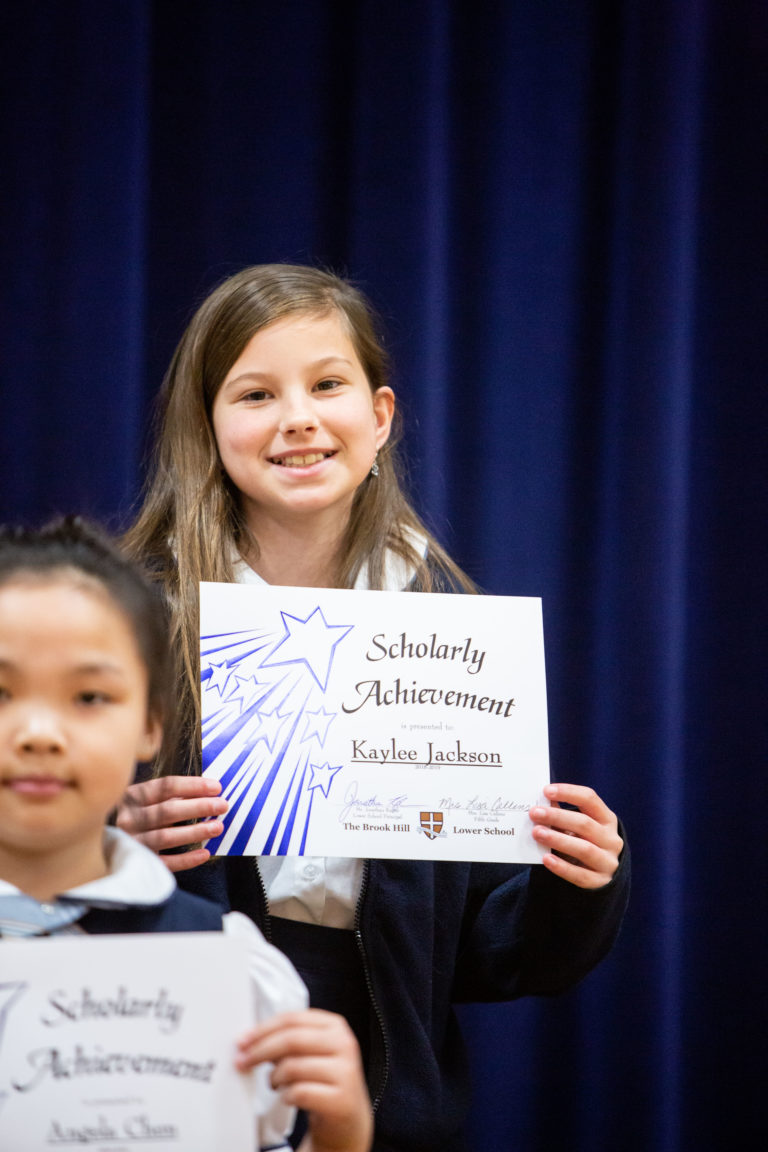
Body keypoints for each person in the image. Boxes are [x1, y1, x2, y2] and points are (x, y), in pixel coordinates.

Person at [116, 263, 630, 1152]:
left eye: (326, 384)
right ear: (210, 425)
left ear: (380, 416)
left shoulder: (453, 635)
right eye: (254, 393)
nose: (298, 419)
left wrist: (575, 882)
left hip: (392, 1104)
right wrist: (108, 843)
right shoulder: (126, 620)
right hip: (169, 1084)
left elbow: (483, 952)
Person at [0, 517, 372, 1152]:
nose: (39, 731)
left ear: (151, 725)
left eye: (89, 697)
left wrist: (337, 1137)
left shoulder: (233, 963)